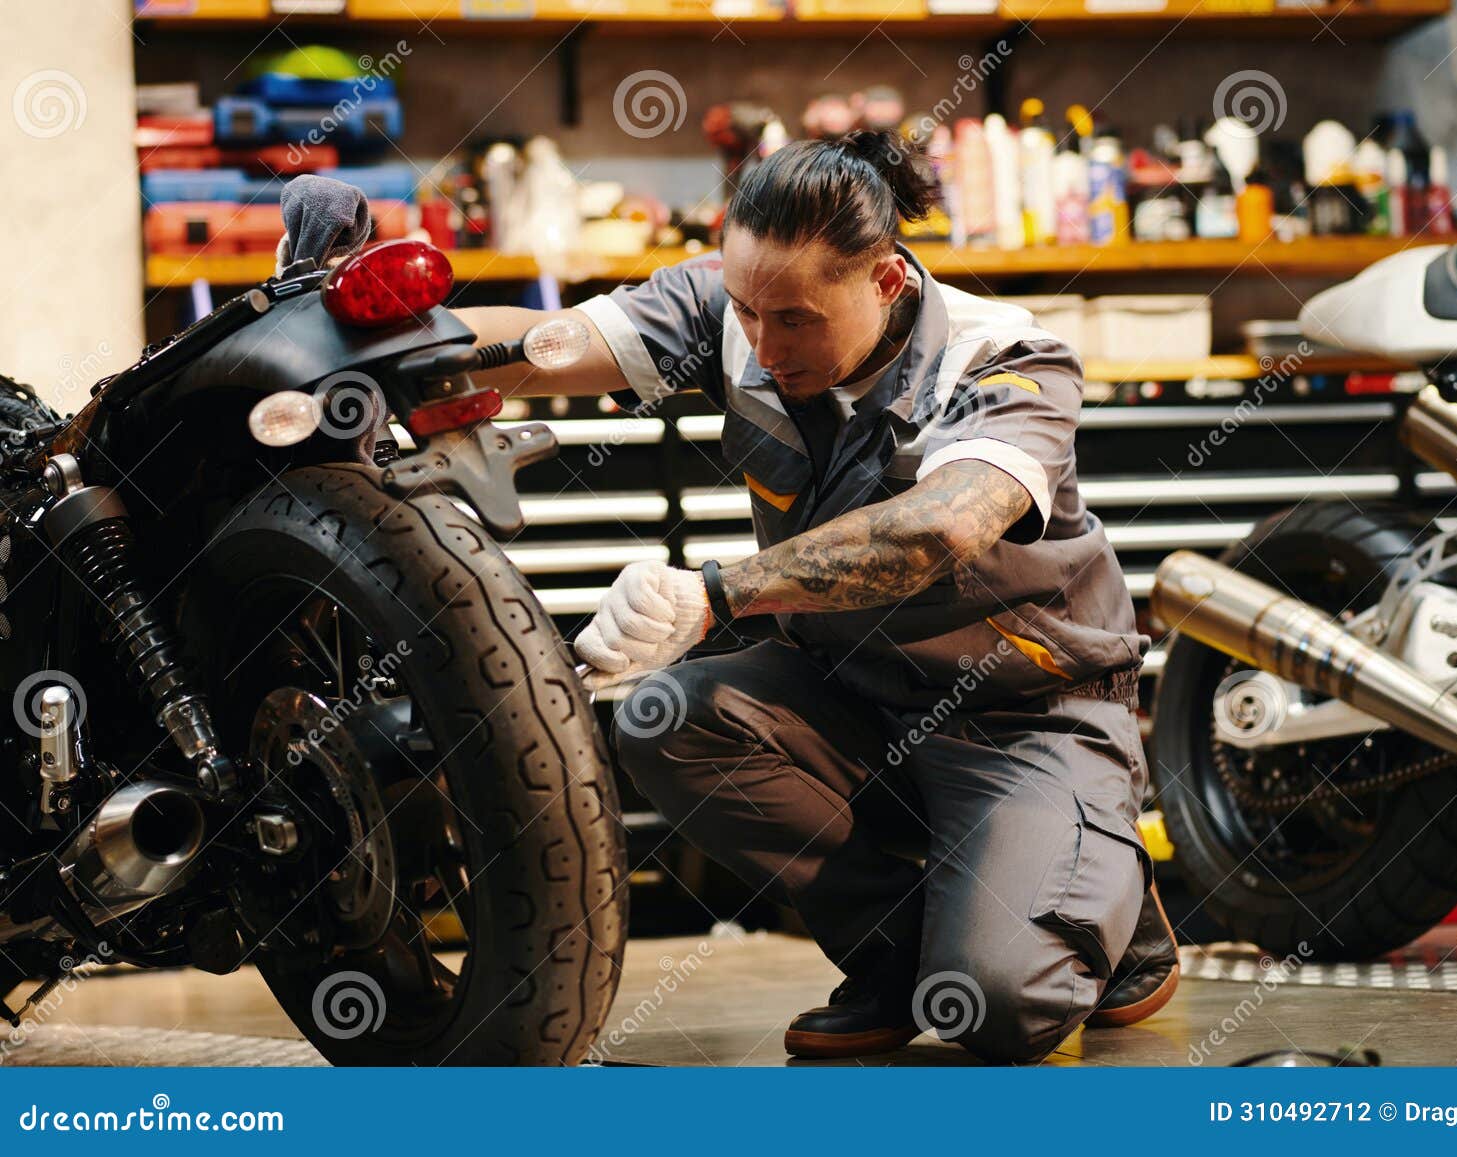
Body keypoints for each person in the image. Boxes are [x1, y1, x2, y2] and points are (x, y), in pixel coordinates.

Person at [458, 130, 1180, 1064]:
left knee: (998, 1008)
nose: (764, 345)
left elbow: (940, 530)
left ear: (884, 282)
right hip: (847, 695)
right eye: (747, 312)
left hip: (1024, 717)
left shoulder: (1006, 363)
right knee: (663, 714)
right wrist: (361, 324)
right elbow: (539, 352)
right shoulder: (738, 300)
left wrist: (716, 594)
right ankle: (895, 949)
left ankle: (1104, 876)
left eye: (794, 320)